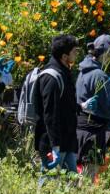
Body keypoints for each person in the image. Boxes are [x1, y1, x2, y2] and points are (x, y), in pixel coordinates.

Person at [74, 35, 110, 168]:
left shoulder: (82, 71)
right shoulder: (100, 75)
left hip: (79, 130)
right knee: (89, 176)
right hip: (93, 133)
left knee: (76, 174)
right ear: (107, 53)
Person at [35, 34, 81, 173]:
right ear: (64, 56)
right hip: (54, 143)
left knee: (70, 182)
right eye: (74, 51)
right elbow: (49, 114)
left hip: (67, 141)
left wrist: (80, 107)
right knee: (48, 184)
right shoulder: (51, 77)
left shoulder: (64, 72)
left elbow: (64, 105)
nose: (77, 53)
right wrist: (55, 146)